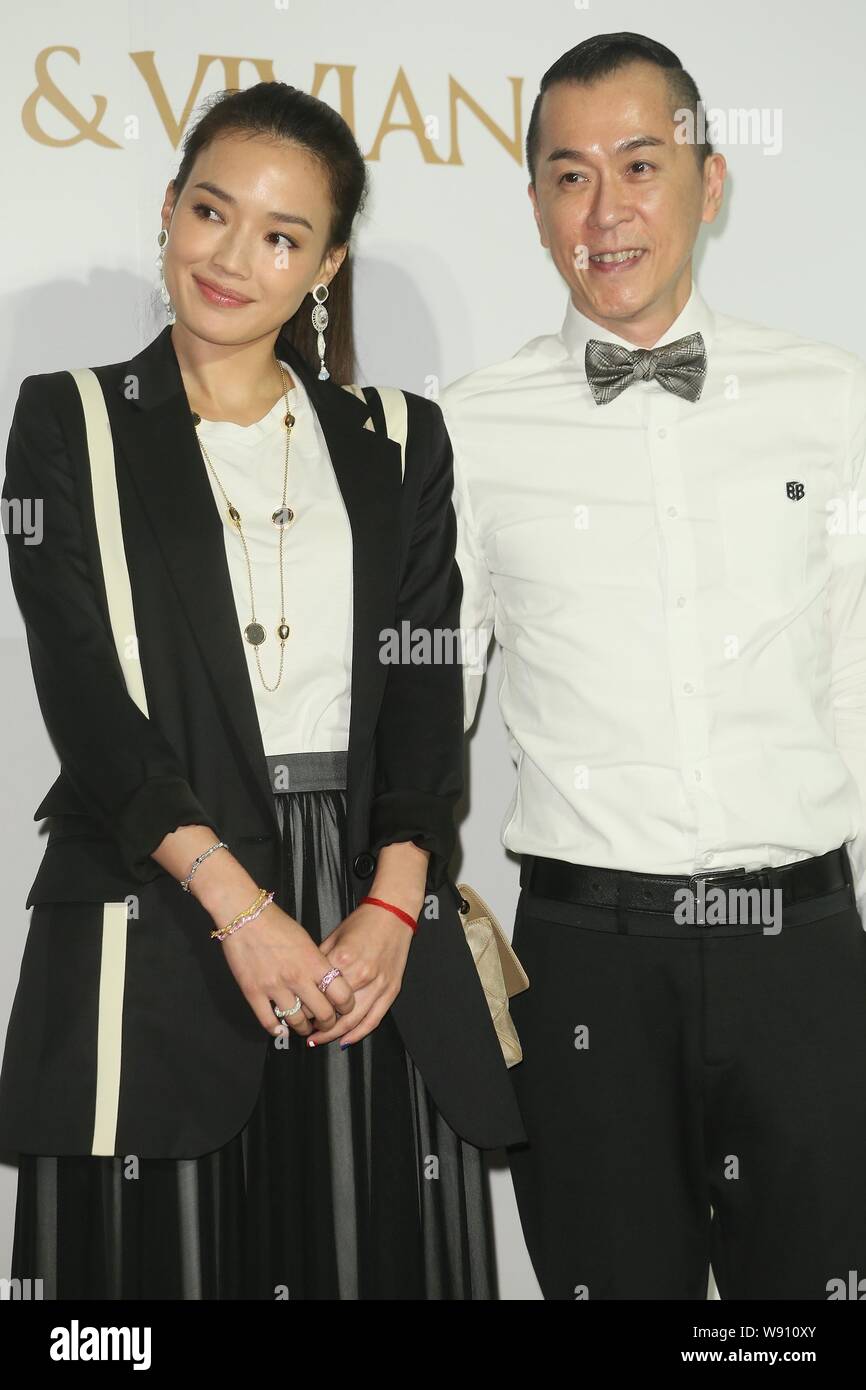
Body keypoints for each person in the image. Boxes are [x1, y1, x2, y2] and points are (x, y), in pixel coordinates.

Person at [0, 79, 525, 1300]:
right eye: (210, 212)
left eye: (282, 236)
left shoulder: (399, 435)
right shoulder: (68, 420)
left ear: (326, 263)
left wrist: (397, 900)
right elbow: (81, 692)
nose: (233, 258)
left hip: (365, 917)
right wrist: (236, 903)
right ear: (169, 211)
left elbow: (420, 678)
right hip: (160, 886)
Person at [441, 32, 866, 1300]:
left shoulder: (830, 399)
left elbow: (853, 673)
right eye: (568, 175)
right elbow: (428, 698)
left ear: (710, 181)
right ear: (531, 206)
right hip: (583, 955)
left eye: (640, 164)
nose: (605, 209)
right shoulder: (464, 426)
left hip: (799, 942)